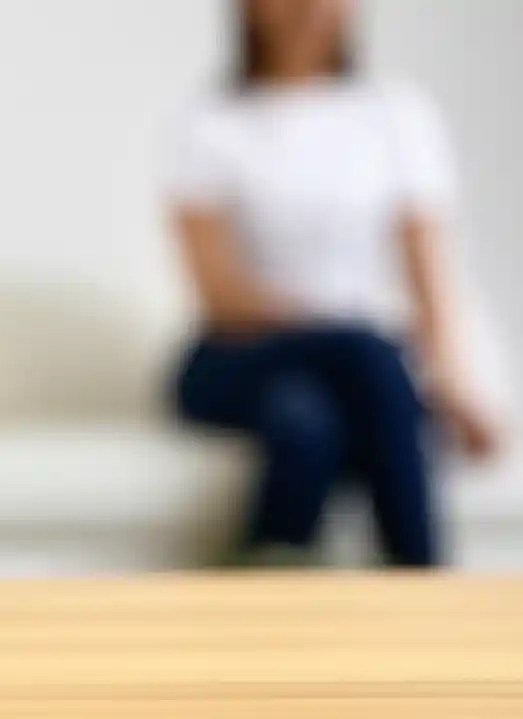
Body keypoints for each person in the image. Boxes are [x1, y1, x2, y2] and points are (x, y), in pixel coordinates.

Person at [169, 0, 500, 567]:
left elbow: (427, 274)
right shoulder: (210, 122)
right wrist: (339, 331)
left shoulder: (395, 115)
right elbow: (221, 297)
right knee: (365, 353)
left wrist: (454, 383)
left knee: (306, 421)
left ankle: (264, 594)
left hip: (355, 371)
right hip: (238, 356)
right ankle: (420, 572)